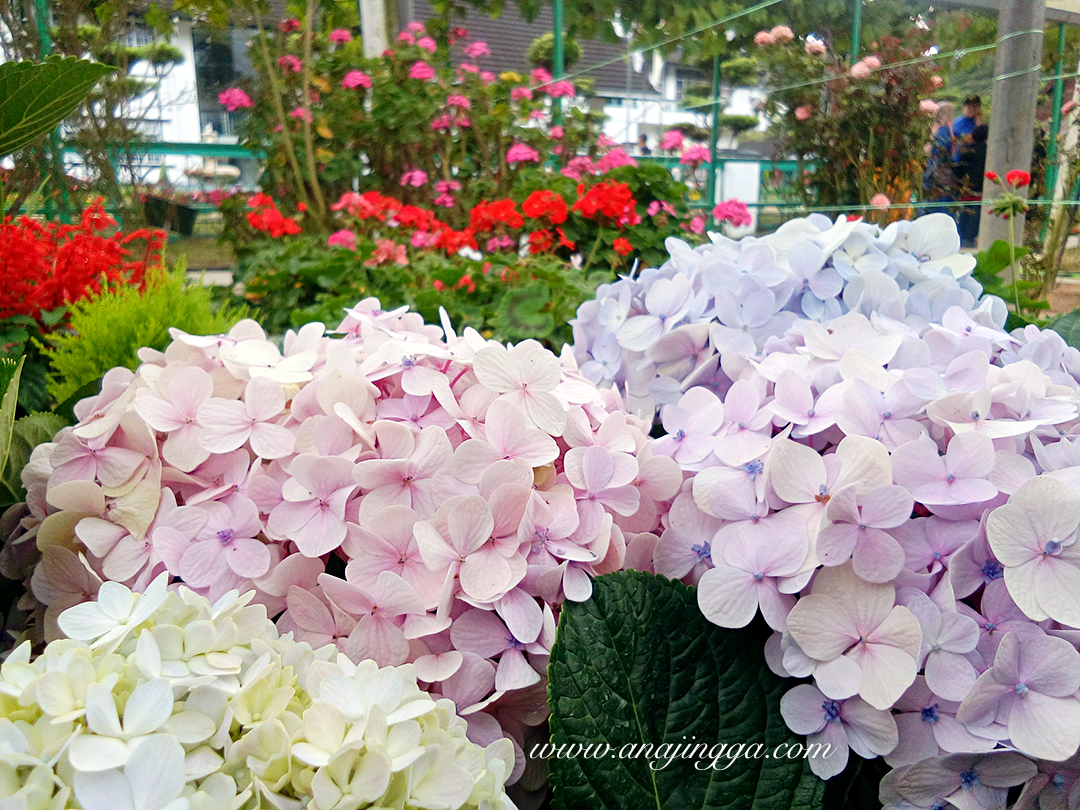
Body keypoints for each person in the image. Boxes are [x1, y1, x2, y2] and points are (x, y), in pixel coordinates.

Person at [954, 124, 988, 247]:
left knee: (965, 211)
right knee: (976, 212)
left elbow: (958, 167)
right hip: (980, 187)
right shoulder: (988, 152)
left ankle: (962, 237)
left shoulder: (968, 150)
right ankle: (969, 238)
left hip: (966, 186)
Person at [924, 102, 958, 216]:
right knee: (942, 206)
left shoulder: (933, 129)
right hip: (940, 173)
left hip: (929, 169)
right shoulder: (945, 130)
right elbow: (941, 150)